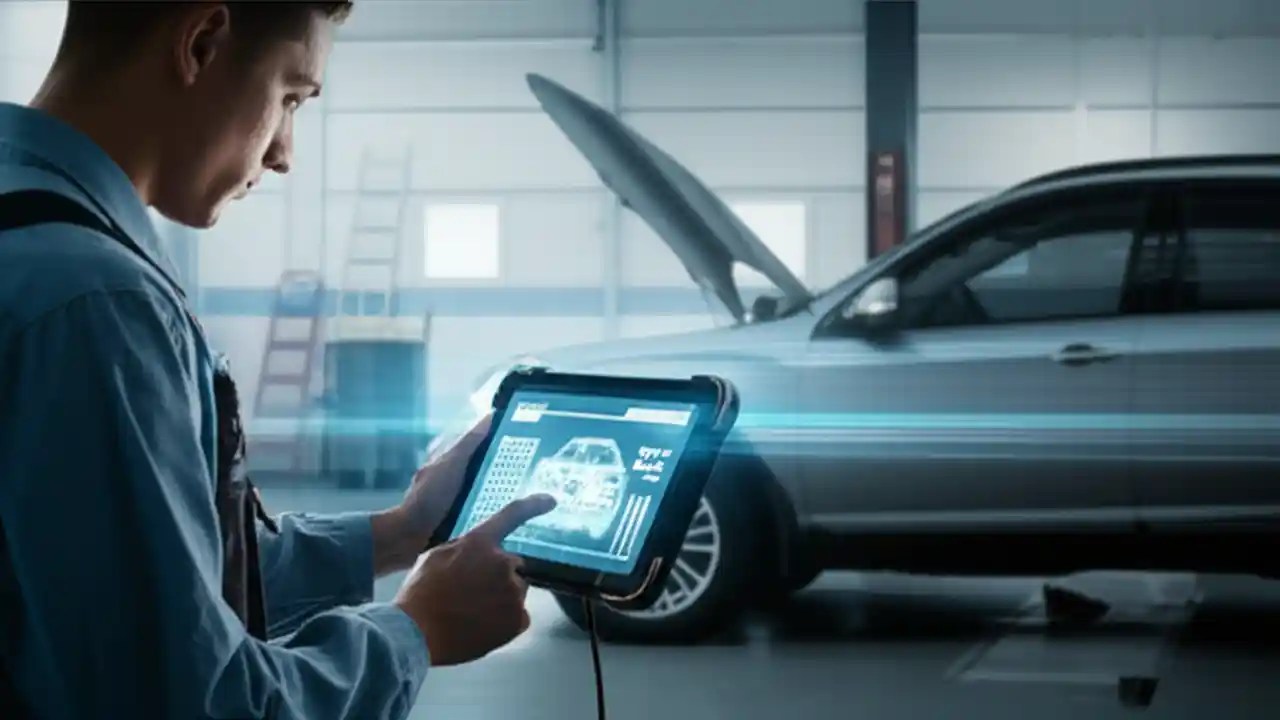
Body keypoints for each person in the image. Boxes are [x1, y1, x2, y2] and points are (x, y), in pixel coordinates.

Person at [0, 2, 554, 718]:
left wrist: (403, 530)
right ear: (201, 43)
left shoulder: (29, 233)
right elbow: (191, 702)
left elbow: (138, 578)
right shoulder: (98, 305)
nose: (283, 152)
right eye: (290, 96)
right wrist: (418, 630)